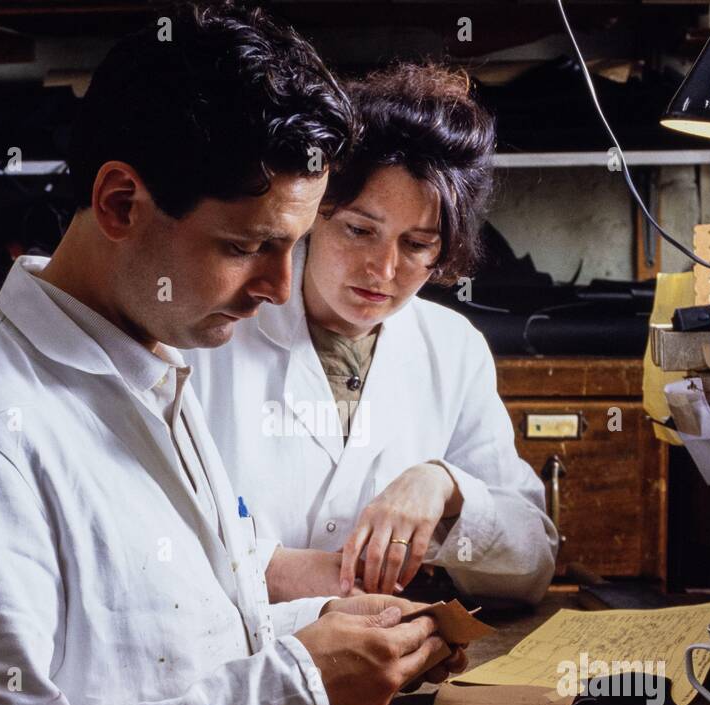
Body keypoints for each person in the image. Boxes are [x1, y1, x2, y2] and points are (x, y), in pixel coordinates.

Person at [0, 4, 461, 705]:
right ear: (119, 202)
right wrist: (301, 686)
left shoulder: (150, 362)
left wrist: (320, 632)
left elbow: (164, 650)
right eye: (246, 245)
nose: (280, 289)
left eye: (292, 245)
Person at [189, 63, 559, 605]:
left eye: (416, 245)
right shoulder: (213, 331)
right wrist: (286, 574)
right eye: (360, 231)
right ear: (314, 213)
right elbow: (148, 549)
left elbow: (532, 566)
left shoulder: (452, 350)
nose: (383, 271)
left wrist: (445, 486)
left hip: (394, 671)